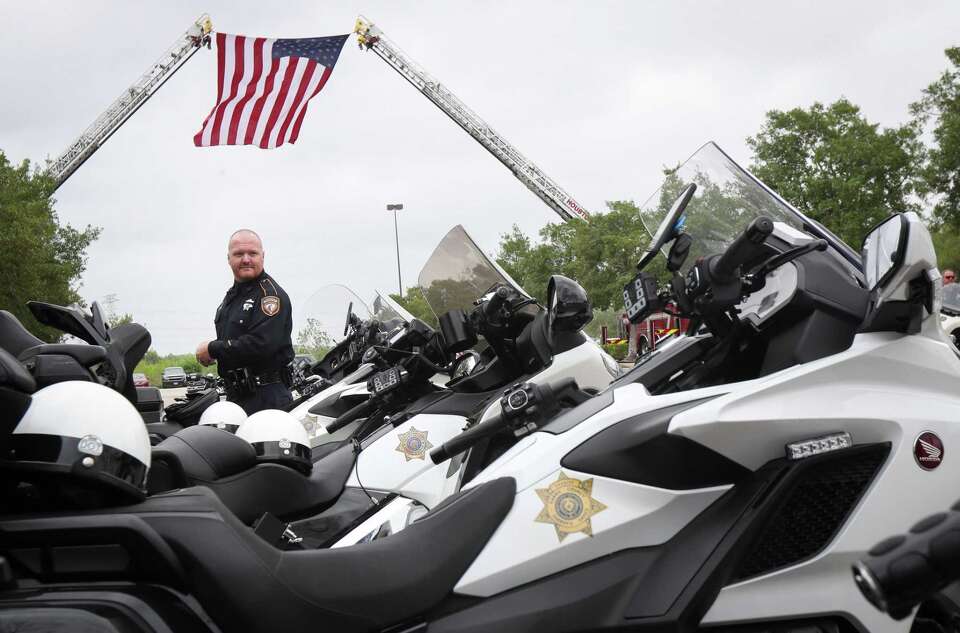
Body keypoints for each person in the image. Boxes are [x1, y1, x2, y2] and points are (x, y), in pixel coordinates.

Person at [196, 229, 294, 414]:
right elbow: (233, 340)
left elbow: (261, 344)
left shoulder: (270, 296)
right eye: (239, 254)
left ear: (262, 256)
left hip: (266, 397)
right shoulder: (231, 297)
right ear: (229, 258)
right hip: (237, 395)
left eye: (252, 253)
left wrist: (212, 348)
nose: (246, 259)